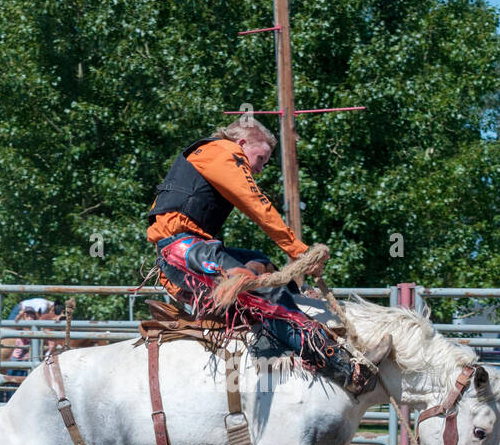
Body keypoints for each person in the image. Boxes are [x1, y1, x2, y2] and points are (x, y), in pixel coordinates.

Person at [146, 115, 389, 397]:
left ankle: (275, 342)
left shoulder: (209, 154)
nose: (260, 169)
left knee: (262, 262)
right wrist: (301, 253)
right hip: (184, 251)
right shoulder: (224, 152)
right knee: (268, 297)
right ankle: (345, 369)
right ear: (241, 143)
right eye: (261, 158)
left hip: (186, 251)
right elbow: (257, 206)